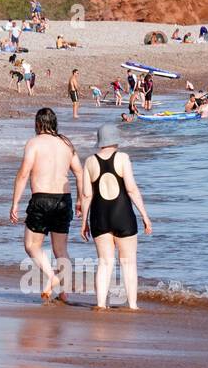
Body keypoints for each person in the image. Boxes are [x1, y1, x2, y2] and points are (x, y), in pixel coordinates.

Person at [9, 107, 83, 304]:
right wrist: (80, 199)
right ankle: (63, 291)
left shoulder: (34, 143)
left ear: (38, 124)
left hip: (41, 199)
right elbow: (79, 172)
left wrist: (15, 203)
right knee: (61, 250)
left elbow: (24, 174)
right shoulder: (67, 143)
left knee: (31, 245)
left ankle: (52, 277)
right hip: (63, 199)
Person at [80, 123, 153, 310]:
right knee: (128, 262)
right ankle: (133, 305)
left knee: (104, 262)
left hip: (99, 217)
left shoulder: (89, 161)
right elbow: (131, 189)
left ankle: (101, 304)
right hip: (123, 216)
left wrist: (84, 222)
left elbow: (86, 195)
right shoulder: (122, 158)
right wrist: (144, 214)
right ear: (116, 140)